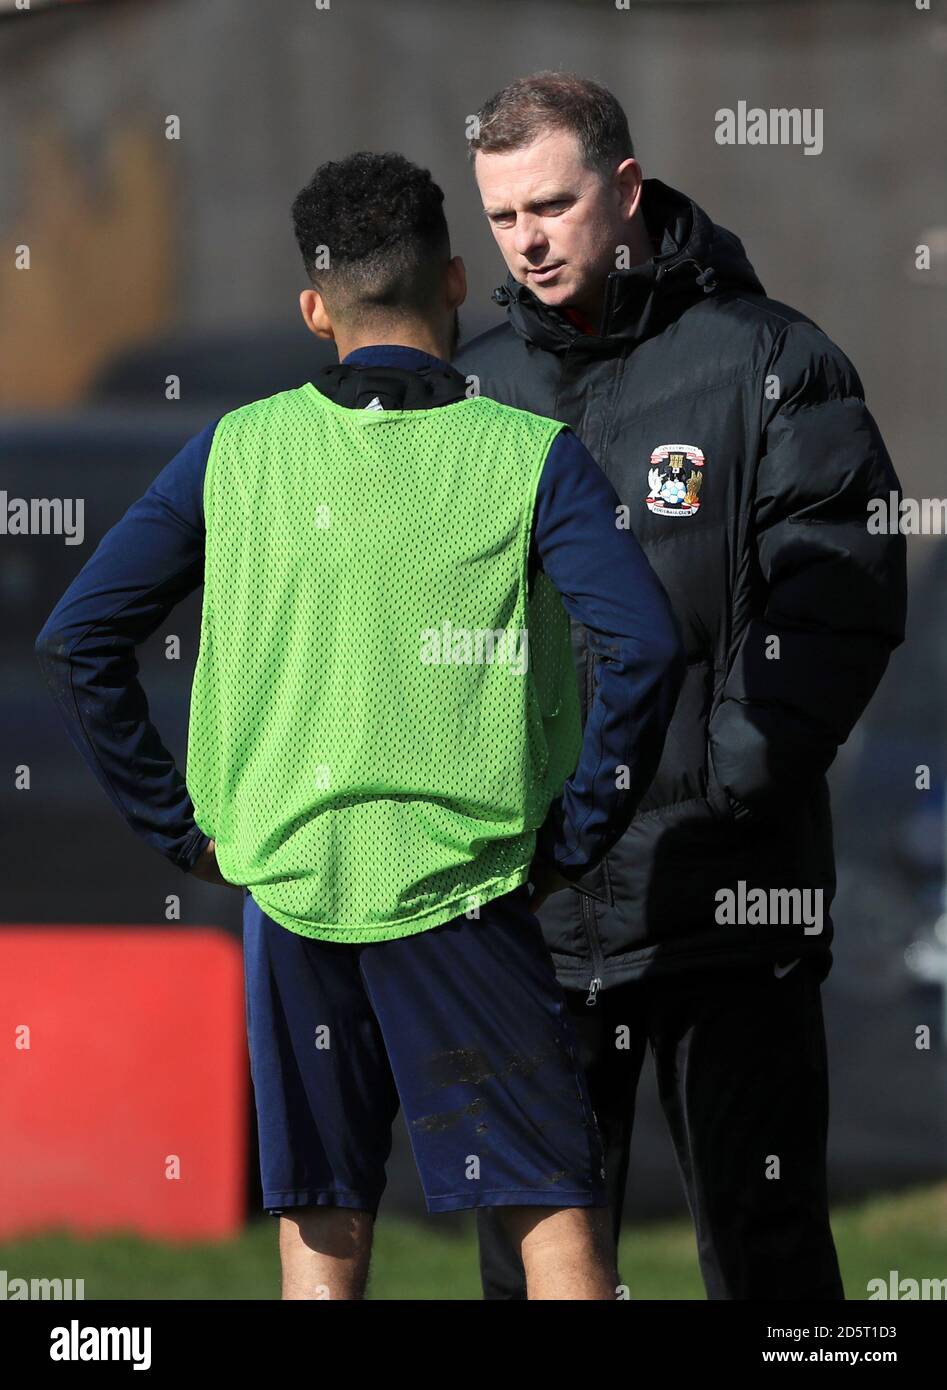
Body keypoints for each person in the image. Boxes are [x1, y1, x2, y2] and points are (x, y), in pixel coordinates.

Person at [34, 150, 685, 1300]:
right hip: (468, 890)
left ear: (311, 306)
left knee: (321, 1240)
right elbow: (644, 642)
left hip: (288, 890)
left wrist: (187, 832)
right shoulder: (529, 457)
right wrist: (577, 829)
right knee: (555, 1231)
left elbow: (82, 637)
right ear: (451, 279)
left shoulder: (235, 451)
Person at [454, 71, 908, 1301]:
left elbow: (841, 597)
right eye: (502, 219)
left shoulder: (771, 361)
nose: (529, 240)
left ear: (626, 189)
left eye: (550, 204)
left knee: (764, 1268)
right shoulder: (474, 395)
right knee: (536, 1274)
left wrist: (723, 783)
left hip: (727, 901)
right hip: (533, 916)